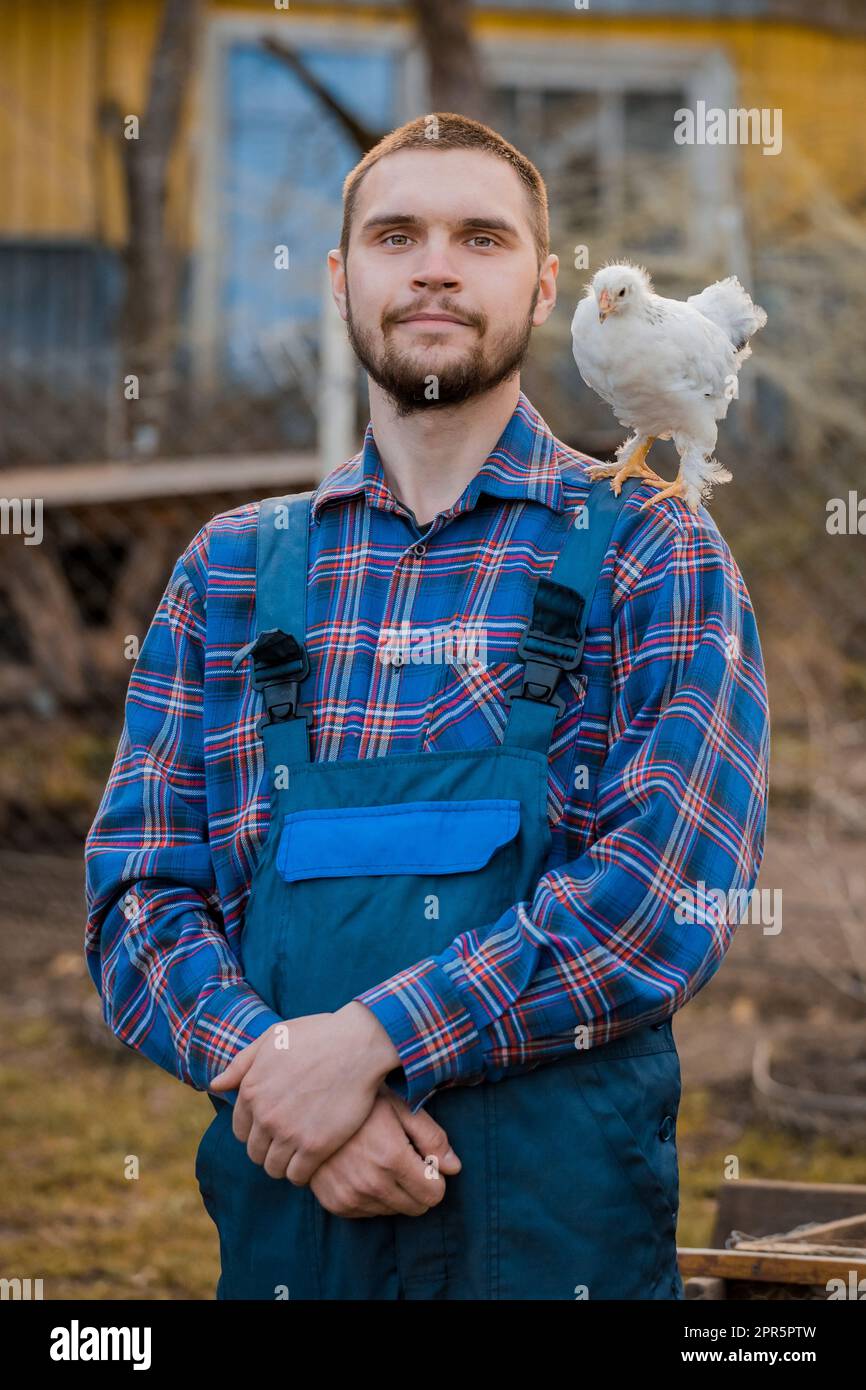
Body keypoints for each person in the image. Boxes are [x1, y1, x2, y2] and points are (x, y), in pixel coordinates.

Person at [84, 112, 770, 1301]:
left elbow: (664, 890)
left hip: (554, 1252)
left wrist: (368, 1045)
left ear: (545, 287)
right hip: (296, 1228)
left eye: (481, 237)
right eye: (396, 235)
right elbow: (142, 893)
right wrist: (279, 1080)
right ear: (344, 277)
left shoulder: (650, 550)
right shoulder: (232, 572)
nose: (436, 266)